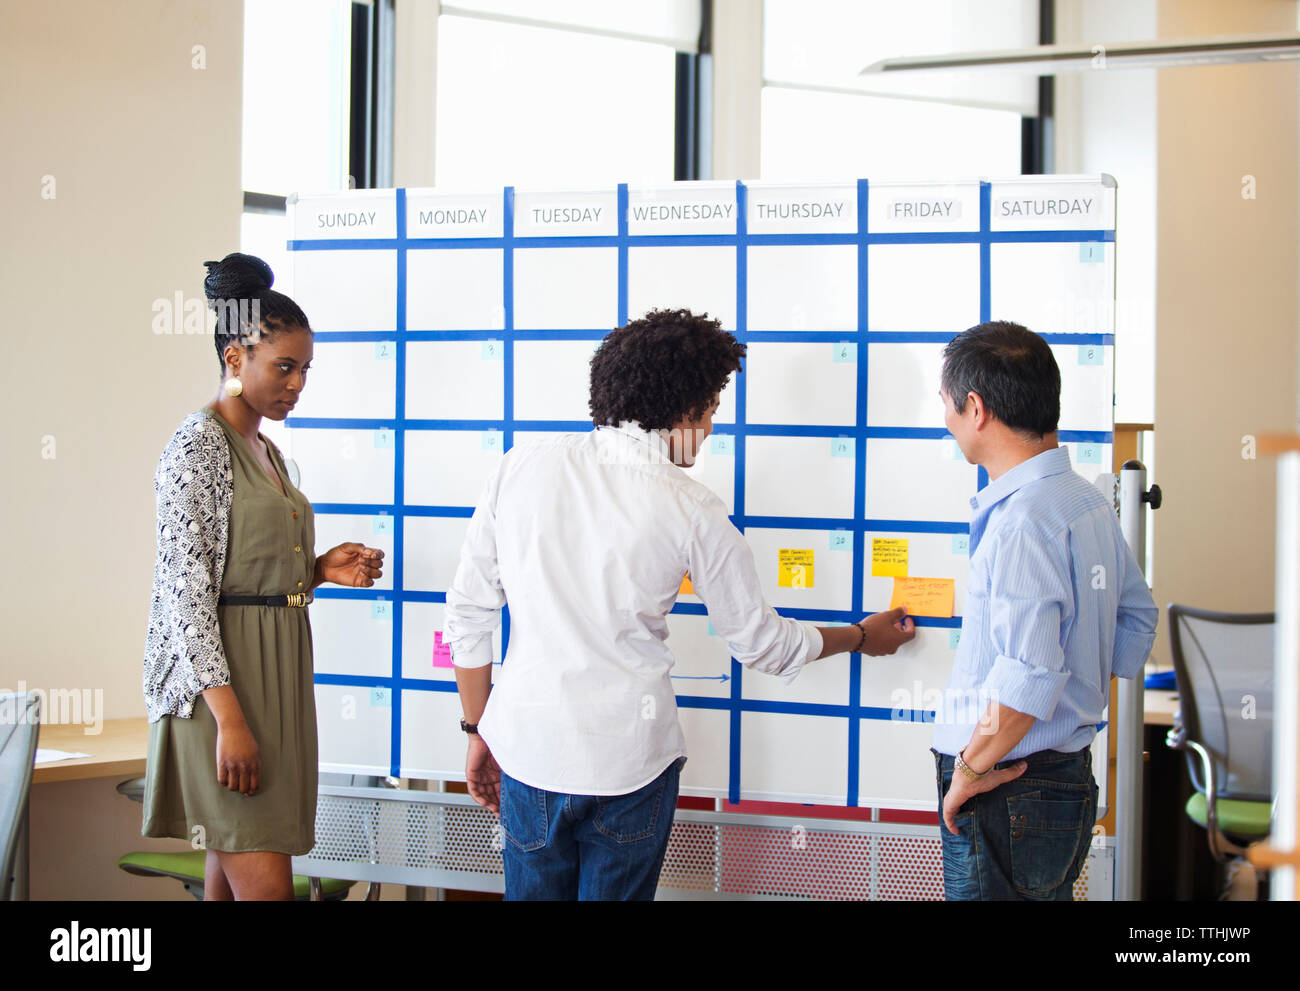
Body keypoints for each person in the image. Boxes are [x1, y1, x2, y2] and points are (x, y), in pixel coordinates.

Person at [443, 308, 916, 900]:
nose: (714, 427)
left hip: (527, 753)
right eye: (712, 410)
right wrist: (862, 635)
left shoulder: (519, 467)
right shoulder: (693, 508)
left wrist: (477, 727)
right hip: (630, 765)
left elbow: (468, 613)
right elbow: (763, 645)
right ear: (684, 410)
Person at [141, 252, 384, 900]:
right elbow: (184, 594)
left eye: (305, 369)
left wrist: (318, 569)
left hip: (273, 689)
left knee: (232, 883)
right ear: (233, 359)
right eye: (284, 366)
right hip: (224, 700)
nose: (297, 383)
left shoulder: (267, 449)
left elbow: (250, 569)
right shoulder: (198, 444)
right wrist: (231, 720)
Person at [930, 320, 1158, 901]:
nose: (946, 419)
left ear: (975, 408)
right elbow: (1137, 618)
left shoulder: (1023, 521)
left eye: (947, 405)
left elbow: (1029, 673)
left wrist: (972, 771)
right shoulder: (1085, 501)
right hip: (1061, 778)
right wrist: (1072, 704)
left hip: (1005, 788)